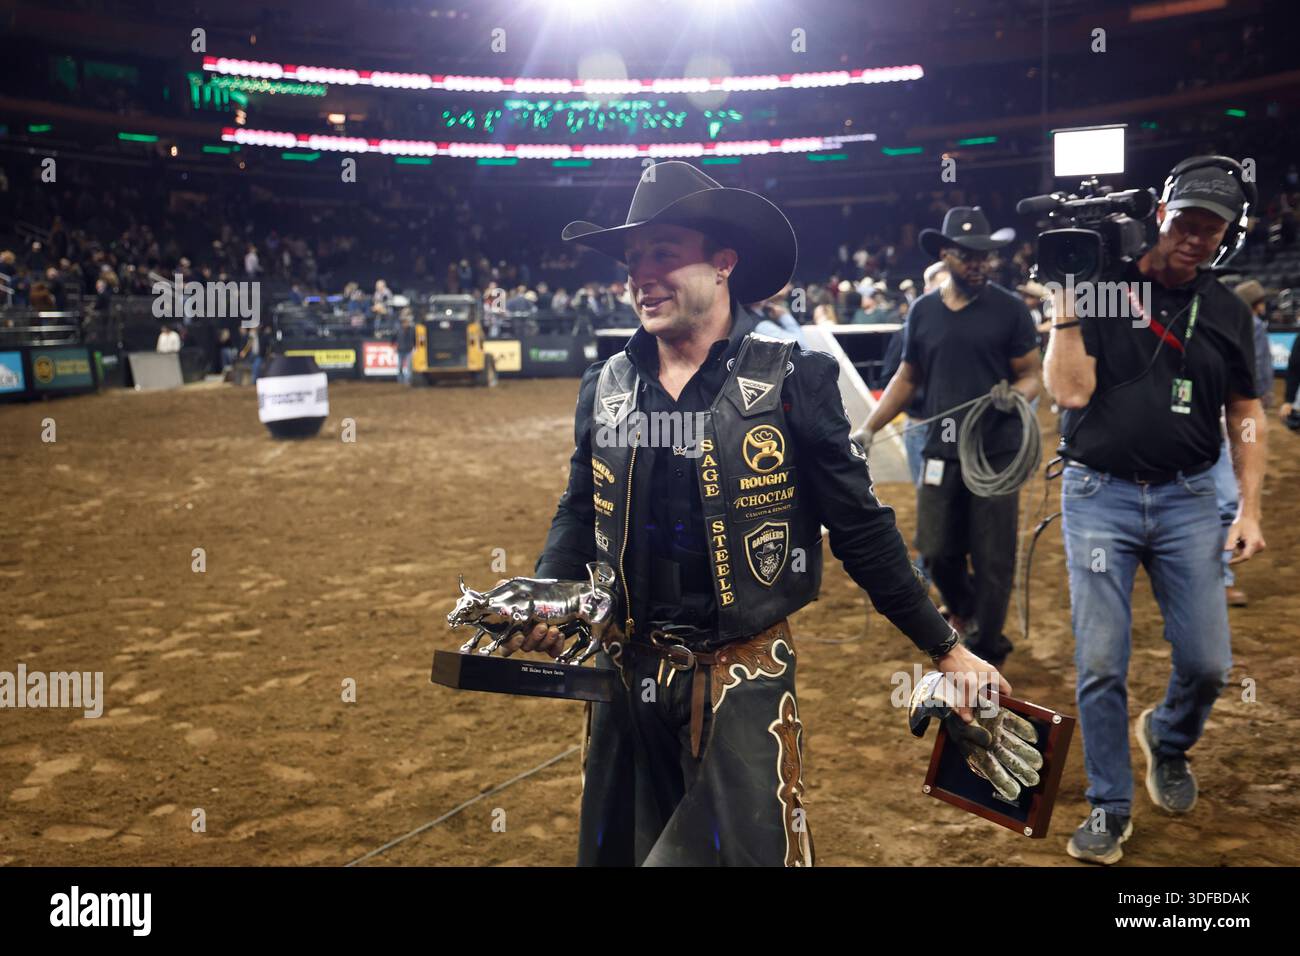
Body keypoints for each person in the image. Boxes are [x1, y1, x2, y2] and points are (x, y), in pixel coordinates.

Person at [503, 160, 1007, 867]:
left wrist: (944, 646)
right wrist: (548, 593)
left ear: (723, 262)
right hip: (622, 680)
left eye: (663, 253)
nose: (641, 276)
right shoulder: (605, 385)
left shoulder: (795, 379)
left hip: (740, 679)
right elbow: (582, 505)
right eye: (632, 260)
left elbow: (859, 528)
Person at [1043, 156, 1267, 864]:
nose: (1195, 238)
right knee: (1102, 661)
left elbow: (1247, 412)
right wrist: (1065, 308)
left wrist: (1250, 508)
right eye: (1185, 223)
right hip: (1098, 496)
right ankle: (1109, 806)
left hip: (1191, 498)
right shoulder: (1103, 291)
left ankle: (1166, 740)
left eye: (1211, 229)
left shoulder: (1230, 313)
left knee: (1207, 662)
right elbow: (1071, 394)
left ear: (1227, 237)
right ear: (1159, 217)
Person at [862, 207, 1041, 669]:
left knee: (991, 554)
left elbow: (1031, 376)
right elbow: (907, 377)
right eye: (967, 256)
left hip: (994, 454)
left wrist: (1012, 394)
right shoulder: (923, 312)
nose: (979, 264)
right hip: (942, 450)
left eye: (985, 256)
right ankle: (963, 608)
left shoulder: (1010, 309)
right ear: (946, 255)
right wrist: (870, 427)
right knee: (937, 548)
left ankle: (987, 646)